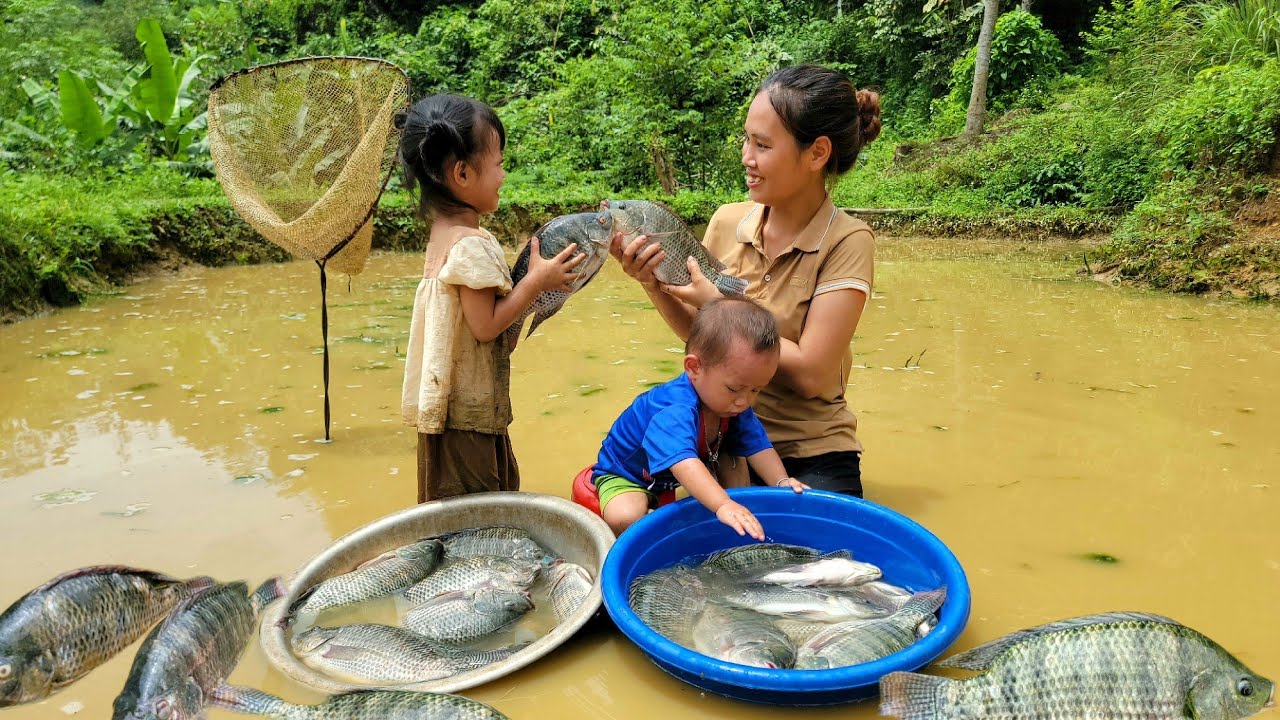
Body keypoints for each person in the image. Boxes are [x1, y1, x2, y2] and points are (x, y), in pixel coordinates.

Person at [612, 65, 880, 497]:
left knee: (830, 560)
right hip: (722, 433)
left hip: (810, 445)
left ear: (817, 153)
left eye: (763, 145)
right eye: (746, 139)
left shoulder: (848, 242)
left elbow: (812, 372)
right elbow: (706, 343)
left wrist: (716, 300)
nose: (746, 157)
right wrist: (652, 282)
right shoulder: (726, 220)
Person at [399, 94, 585, 503]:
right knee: (482, 517)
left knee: (450, 515)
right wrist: (537, 282)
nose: (503, 175)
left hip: (449, 414)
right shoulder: (471, 246)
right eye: (499, 164)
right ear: (463, 174)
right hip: (468, 421)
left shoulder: (442, 236)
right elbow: (485, 326)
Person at [592, 297, 808, 539]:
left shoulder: (732, 401)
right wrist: (722, 504)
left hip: (694, 458)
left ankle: (736, 519)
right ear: (694, 368)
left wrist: (781, 482)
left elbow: (758, 446)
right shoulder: (673, 409)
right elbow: (684, 463)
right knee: (624, 517)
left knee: (737, 462)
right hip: (631, 474)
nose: (744, 401)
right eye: (735, 389)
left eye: (756, 390)